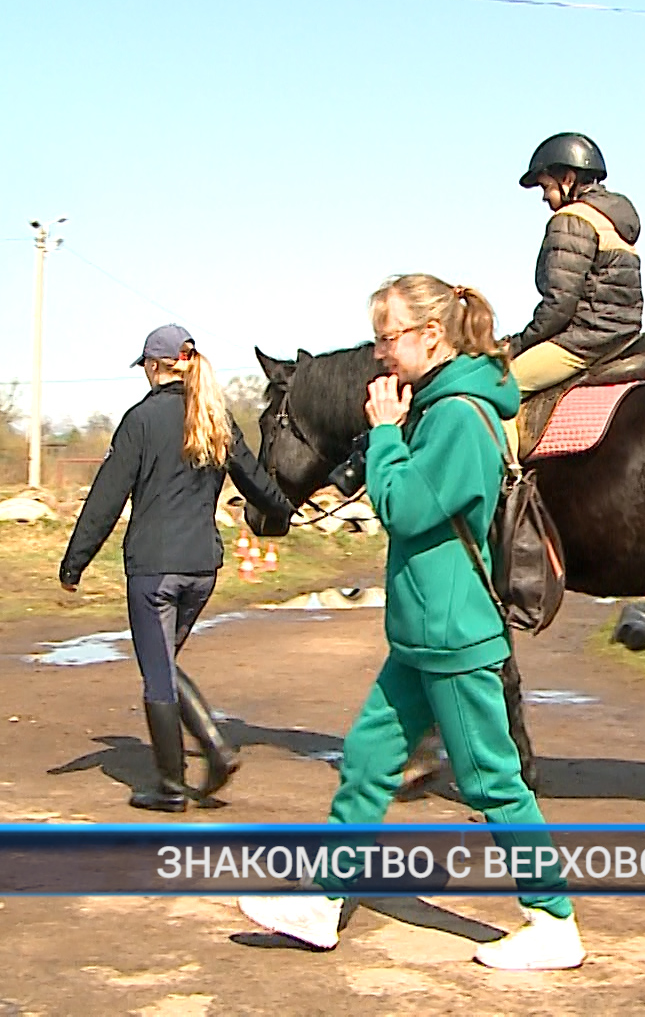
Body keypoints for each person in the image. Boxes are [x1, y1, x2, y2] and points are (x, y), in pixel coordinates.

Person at [238, 274, 584, 971]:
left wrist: (387, 433)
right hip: (421, 636)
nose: (381, 355)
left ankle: (553, 921)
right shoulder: (438, 406)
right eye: (377, 338)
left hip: (453, 635)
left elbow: (404, 508)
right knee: (367, 762)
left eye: (388, 338)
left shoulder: (457, 415)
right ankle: (322, 903)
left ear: (431, 335)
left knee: (492, 780)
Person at [58, 325, 295, 810]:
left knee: (158, 672)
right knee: (162, 663)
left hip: (154, 570)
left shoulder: (141, 420)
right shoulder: (215, 418)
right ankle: (206, 754)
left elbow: (107, 497)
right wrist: (285, 509)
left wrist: (74, 562)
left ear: (152, 366)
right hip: (201, 569)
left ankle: (178, 781)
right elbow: (256, 484)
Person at [508, 132, 644, 398]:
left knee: (500, 388)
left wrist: (517, 345)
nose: (544, 198)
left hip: (585, 341)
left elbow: (559, 306)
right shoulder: (612, 219)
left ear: (568, 179)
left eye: (546, 186)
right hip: (624, 335)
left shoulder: (571, 219)